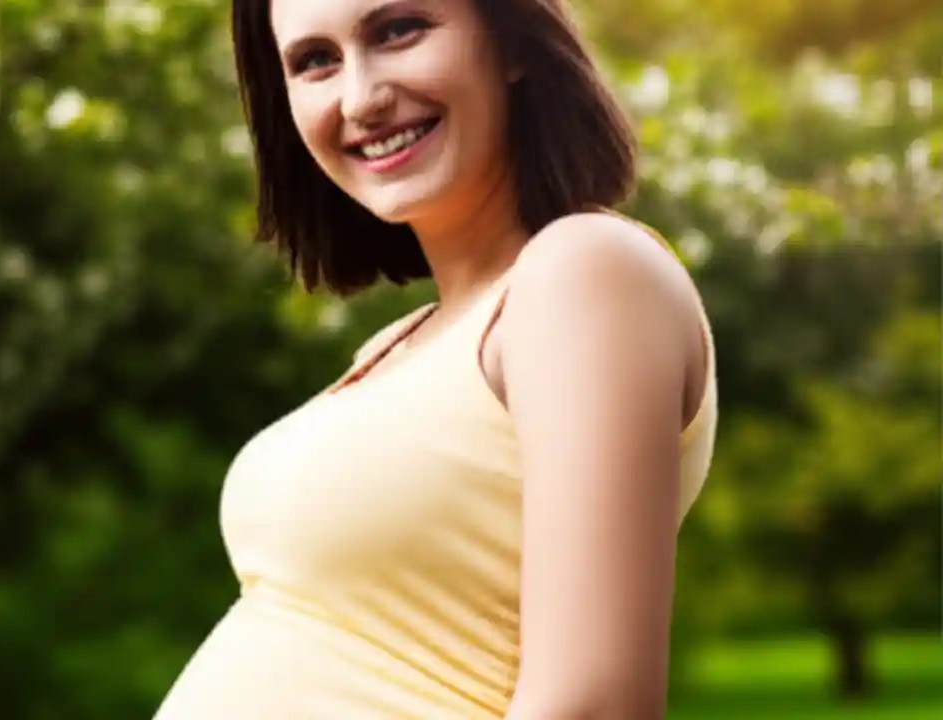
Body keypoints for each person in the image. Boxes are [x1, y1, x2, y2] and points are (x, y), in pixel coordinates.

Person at [153, 0, 718, 717]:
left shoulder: (582, 271)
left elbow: (594, 702)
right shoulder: (404, 343)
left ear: (513, 42)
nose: (361, 98)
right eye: (314, 61)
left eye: (397, 31)